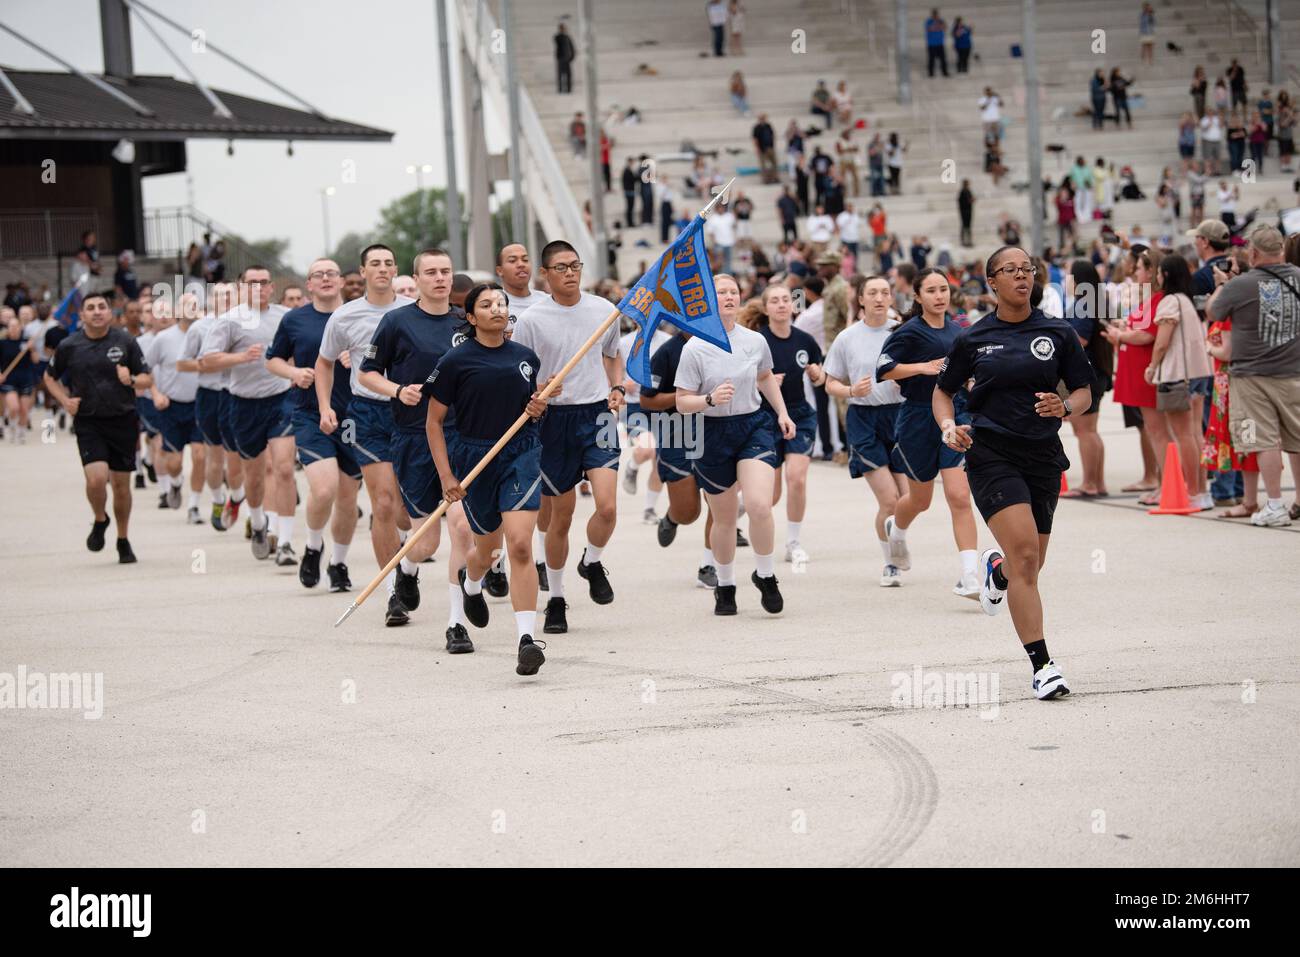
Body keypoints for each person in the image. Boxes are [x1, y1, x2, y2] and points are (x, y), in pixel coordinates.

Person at [935, 245, 1095, 700]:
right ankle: (1043, 666)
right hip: (991, 453)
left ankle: (998, 573)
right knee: (1027, 555)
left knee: (1029, 564)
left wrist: (1064, 407)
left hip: (1043, 455)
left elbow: (1084, 391)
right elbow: (942, 392)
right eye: (1010, 270)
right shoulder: (972, 338)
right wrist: (948, 426)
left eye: (1027, 269)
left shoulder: (1057, 332)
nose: (1021, 276)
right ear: (992, 282)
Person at [359, 248, 481, 643]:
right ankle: (407, 571)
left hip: (462, 436)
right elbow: (367, 374)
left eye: (446, 271)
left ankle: (455, 623)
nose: (440, 278)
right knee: (425, 540)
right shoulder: (397, 322)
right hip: (414, 437)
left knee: (462, 528)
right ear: (416, 278)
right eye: (431, 272)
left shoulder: (467, 321)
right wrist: (397, 391)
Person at [428, 287, 552, 671]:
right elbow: (433, 423)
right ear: (470, 316)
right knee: (487, 551)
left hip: (521, 454)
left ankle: (526, 640)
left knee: (519, 546)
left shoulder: (526, 358)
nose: (496, 309)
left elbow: (533, 411)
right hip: (475, 457)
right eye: (486, 305)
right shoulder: (454, 362)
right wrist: (447, 475)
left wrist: (537, 407)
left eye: (501, 304)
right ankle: (471, 581)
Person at [511, 241, 624, 635]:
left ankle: (591, 561)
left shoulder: (604, 310)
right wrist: (537, 390)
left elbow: (613, 353)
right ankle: (556, 598)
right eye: (560, 268)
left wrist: (618, 387)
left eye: (575, 265)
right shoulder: (532, 319)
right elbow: (519, 372)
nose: (570, 273)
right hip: (552, 421)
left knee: (607, 508)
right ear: (546, 274)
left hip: (596, 415)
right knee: (560, 517)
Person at [675, 274, 793, 615]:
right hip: (712, 431)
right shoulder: (695, 347)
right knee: (723, 517)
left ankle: (766, 575)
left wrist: (782, 413)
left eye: (733, 291)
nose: (729, 297)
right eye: (721, 292)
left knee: (759, 505)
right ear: (709, 301)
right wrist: (709, 399)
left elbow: (765, 376)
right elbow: (683, 402)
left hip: (753, 425)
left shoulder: (754, 341)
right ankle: (725, 585)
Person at [316, 245, 417, 625]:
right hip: (368, 413)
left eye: (389, 262)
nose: (383, 269)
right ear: (362, 271)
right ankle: (392, 590)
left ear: (396, 270)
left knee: (410, 509)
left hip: (409, 412)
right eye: (375, 263)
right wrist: (325, 405)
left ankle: (408, 566)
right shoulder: (346, 316)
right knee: (384, 503)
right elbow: (324, 362)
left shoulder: (411, 310)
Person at [875, 268, 979, 596]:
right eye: (931, 291)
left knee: (960, 496)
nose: (939, 296)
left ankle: (970, 576)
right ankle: (897, 531)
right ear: (918, 296)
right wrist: (922, 367)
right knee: (920, 500)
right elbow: (883, 369)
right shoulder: (909, 332)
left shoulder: (959, 331)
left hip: (954, 414)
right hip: (917, 418)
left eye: (944, 289)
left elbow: (971, 369)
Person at [265, 258, 361, 593]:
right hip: (309, 413)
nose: (325, 279)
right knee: (323, 489)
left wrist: (358, 359)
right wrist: (294, 373)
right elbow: (272, 359)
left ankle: (338, 563)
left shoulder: (358, 313)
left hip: (356, 414)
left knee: (348, 499)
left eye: (331, 273)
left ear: (341, 280)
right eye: (317, 275)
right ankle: (313, 545)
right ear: (309, 284)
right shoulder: (295, 320)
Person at [199, 266, 298, 565]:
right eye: (251, 283)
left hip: (281, 400)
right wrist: (240, 357)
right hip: (242, 404)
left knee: (283, 469)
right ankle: (258, 524)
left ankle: (285, 542)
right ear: (241, 287)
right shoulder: (229, 321)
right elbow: (207, 360)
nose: (258, 287)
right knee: (253, 478)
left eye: (264, 283)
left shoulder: (285, 316)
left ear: (271, 287)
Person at [43, 292, 151, 563]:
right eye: (90, 308)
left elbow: (147, 379)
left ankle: (123, 539)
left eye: (102, 306)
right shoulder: (70, 345)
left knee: (121, 486)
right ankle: (100, 518)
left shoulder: (125, 341)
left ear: (109, 312)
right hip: (89, 421)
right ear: (82, 316)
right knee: (96, 479)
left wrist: (132, 379)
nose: (97, 311)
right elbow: (49, 377)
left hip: (123, 420)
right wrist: (65, 400)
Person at [1208, 225, 1300, 527]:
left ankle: (1274, 504)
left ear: (1254, 253)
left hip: (1252, 374)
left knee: (1264, 441)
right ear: (1282, 251)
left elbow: (1214, 312)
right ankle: (1298, 500)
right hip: (1294, 371)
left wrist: (1224, 284)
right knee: (1296, 440)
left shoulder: (1242, 284)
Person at [824, 275, 905, 585]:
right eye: (872, 293)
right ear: (861, 299)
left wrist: (906, 380)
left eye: (885, 292)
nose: (879, 298)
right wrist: (851, 392)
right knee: (890, 502)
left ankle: (898, 540)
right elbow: (830, 382)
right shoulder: (848, 337)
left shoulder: (903, 331)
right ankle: (891, 564)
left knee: (908, 501)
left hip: (900, 416)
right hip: (863, 418)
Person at [640, 327, 719, 588]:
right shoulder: (666, 353)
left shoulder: (720, 342)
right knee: (689, 512)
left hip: (716, 431)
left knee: (719, 503)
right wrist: (687, 397)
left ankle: (708, 565)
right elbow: (647, 401)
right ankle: (673, 518)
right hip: (677, 434)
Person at [754, 284, 824, 562]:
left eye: (786, 300)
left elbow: (821, 379)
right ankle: (734, 511)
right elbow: (741, 380)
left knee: (796, 479)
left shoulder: (806, 341)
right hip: (764, 417)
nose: (782, 305)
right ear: (765, 307)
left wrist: (818, 375)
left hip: (799, 415)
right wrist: (764, 385)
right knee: (770, 495)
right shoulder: (757, 341)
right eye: (775, 300)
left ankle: (793, 543)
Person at [1103, 249, 1164, 504]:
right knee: (1153, 429)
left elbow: (1147, 335)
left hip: (1145, 373)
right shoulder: (1149, 299)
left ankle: (1165, 483)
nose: (1134, 272)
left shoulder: (1158, 298)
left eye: (1139, 268)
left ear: (1150, 271)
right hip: (1136, 371)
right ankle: (1161, 482)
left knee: (1157, 431)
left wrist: (1121, 335)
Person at [144, 296, 205, 524]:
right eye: (185, 304)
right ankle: (176, 483)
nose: (190, 308)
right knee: (174, 462)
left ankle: (194, 506)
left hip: (199, 404)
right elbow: (145, 370)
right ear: (178, 310)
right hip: (171, 406)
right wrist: (156, 393)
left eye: (194, 304)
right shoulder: (163, 339)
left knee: (200, 456)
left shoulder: (206, 333)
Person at [1060, 260, 1113, 497]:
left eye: (1069, 276)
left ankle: (1090, 483)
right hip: (1098, 371)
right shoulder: (1098, 301)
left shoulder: (1084, 304)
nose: (1066, 281)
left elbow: (1080, 339)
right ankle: (1097, 482)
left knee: (1084, 431)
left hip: (1085, 372)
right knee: (1091, 430)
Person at [0, 315, 36, 442]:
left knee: (24, 409)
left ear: (20, 327)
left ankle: (21, 432)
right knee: (14, 407)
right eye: (11, 326)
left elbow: (35, 360)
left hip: (25, 378)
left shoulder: (27, 342)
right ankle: (12, 426)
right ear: (8, 328)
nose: (14, 329)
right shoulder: (3, 343)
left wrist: (32, 349)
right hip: (8, 378)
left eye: (16, 326)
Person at [494, 243, 550, 317]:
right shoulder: (493, 306)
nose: (521, 264)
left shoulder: (548, 301)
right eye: (512, 261)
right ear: (499, 271)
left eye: (525, 260)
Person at [924, 8, 948, 78]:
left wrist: (939, 25)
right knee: (931, 59)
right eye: (934, 14)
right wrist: (937, 26)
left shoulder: (941, 21)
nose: (936, 15)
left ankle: (945, 72)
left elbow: (944, 27)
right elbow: (930, 29)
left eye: (936, 14)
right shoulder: (929, 21)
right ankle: (931, 73)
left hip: (940, 43)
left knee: (943, 59)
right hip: (931, 44)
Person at [554, 22, 575, 93]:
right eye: (562, 28)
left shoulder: (567, 37)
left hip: (567, 59)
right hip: (561, 58)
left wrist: (572, 56)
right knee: (560, 75)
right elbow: (556, 41)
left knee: (568, 75)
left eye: (564, 28)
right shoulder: (558, 37)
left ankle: (569, 89)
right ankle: (560, 89)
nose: (564, 30)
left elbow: (572, 47)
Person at [621, 157, 639, 227]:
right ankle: (630, 223)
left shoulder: (628, 170)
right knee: (630, 208)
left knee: (630, 208)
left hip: (629, 191)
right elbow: (632, 180)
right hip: (629, 192)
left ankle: (630, 222)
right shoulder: (627, 171)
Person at [957, 180, 975, 247]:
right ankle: (965, 241)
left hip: (968, 212)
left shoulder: (967, 191)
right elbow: (965, 201)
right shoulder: (963, 192)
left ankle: (968, 241)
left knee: (968, 227)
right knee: (965, 227)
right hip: (965, 212)